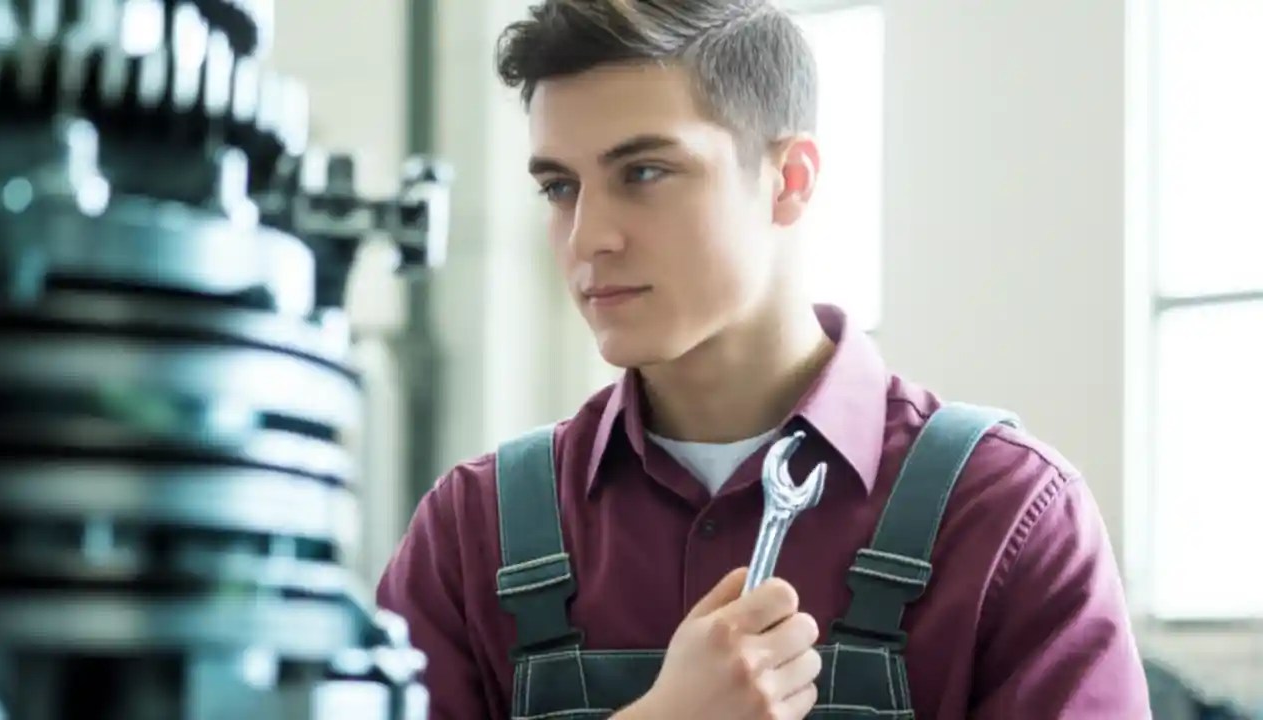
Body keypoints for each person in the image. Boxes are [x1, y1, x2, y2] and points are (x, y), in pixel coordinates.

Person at [376, 0, 1152, 718]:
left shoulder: (1007, 518)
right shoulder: (469, 537)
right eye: (559, 187)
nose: (587, 239)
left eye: (643, 173)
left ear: (789, 180)